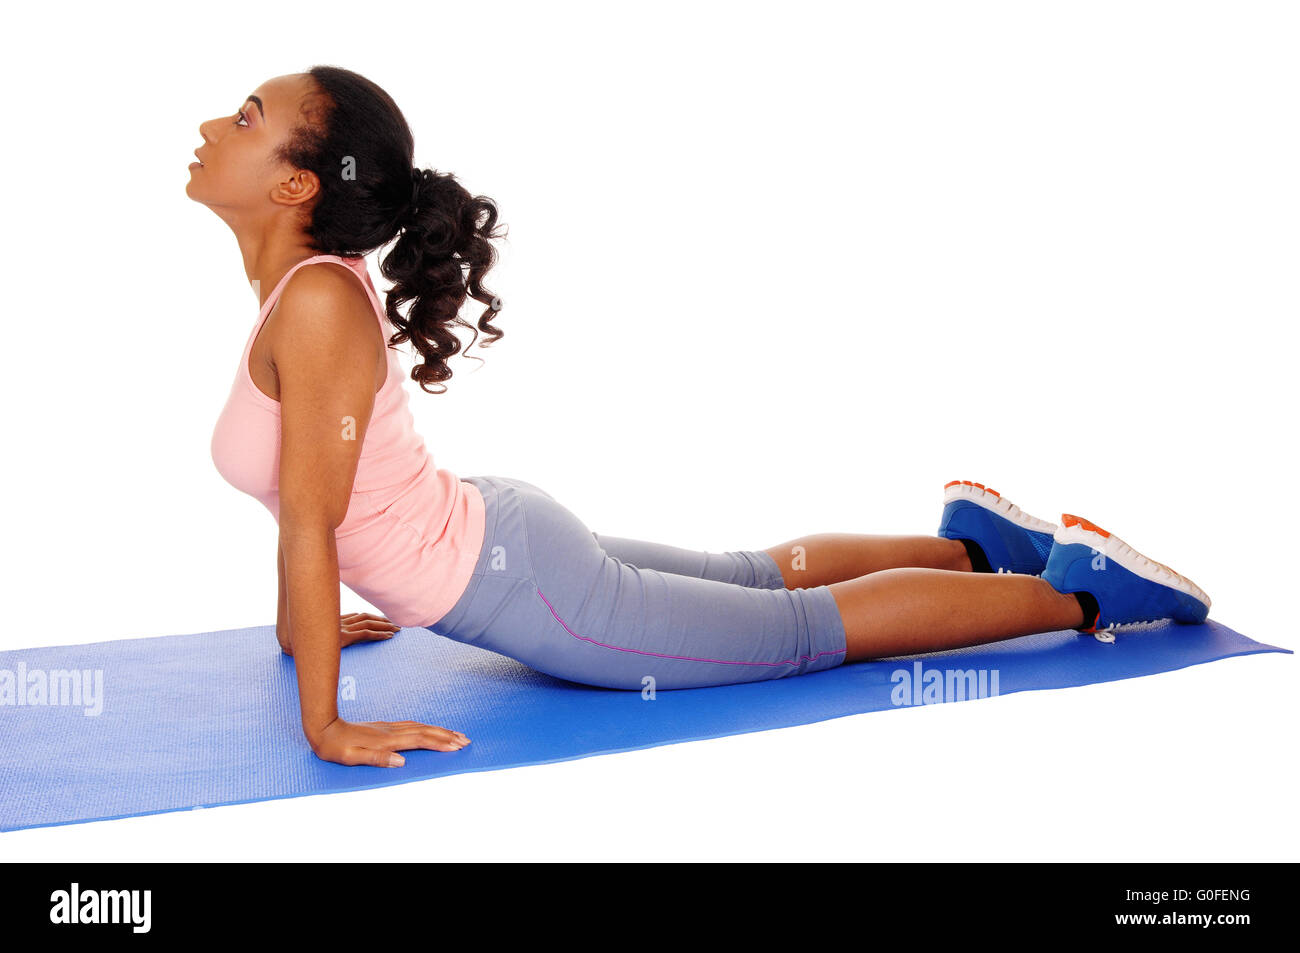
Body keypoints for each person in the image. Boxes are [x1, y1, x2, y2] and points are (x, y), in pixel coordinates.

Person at [193, 67, 1211, 770]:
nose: (209, 128)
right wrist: (304, 624)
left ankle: (1082, 594)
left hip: (531, 589)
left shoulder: (317, 301)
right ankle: (973, 548)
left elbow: (313, 521)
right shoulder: (306, 288)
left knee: (802, 630)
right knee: (751, 575)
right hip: (505, 539)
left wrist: (325, 721)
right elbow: (310, 488)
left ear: (295, 183)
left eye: (243, 116)